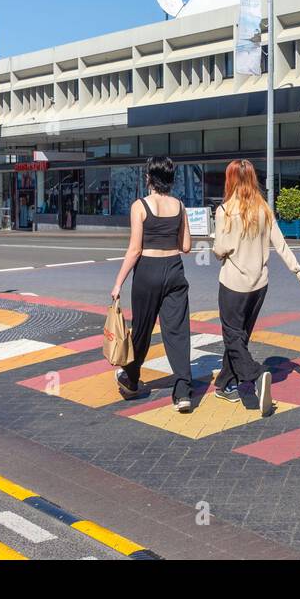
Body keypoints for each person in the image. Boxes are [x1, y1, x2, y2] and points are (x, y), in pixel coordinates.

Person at [212, 158, 300, 415]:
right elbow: (280, 244)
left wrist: (222, 245)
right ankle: (224, 383)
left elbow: (220, 250)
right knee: (239, 337)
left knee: (233, 337)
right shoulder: (263, 208)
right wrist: (298, 271)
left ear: (231, 179)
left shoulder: (225, 211)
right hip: (259, 286)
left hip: (234, 285)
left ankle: (255, 375)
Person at [109, 157, 194, 412]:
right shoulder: (179, 205)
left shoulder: (140, 206)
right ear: (170, 178)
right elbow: (187, 247)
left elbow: (134, 249)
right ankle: (183, 394)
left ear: (149, 177)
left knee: (142, 330)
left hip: (147, 271)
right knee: (177, 332)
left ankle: (131, 380)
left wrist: (118, 283)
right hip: (175, 271)